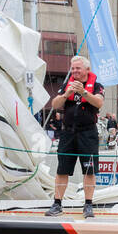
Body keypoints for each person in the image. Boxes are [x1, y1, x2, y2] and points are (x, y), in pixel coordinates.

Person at [45, 54, 105, 218]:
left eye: (78, 68)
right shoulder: (67, 84)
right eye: (72, 68)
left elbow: (99, 102)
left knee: (89, 171)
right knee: (62, 169)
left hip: (88, 133)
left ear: (87, 69)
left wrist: (83, 92)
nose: (75, 71)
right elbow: (55, 105)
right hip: (68, 133)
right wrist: (66, 94)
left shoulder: (97, 86)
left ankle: (88, 205)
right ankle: (57, 204)